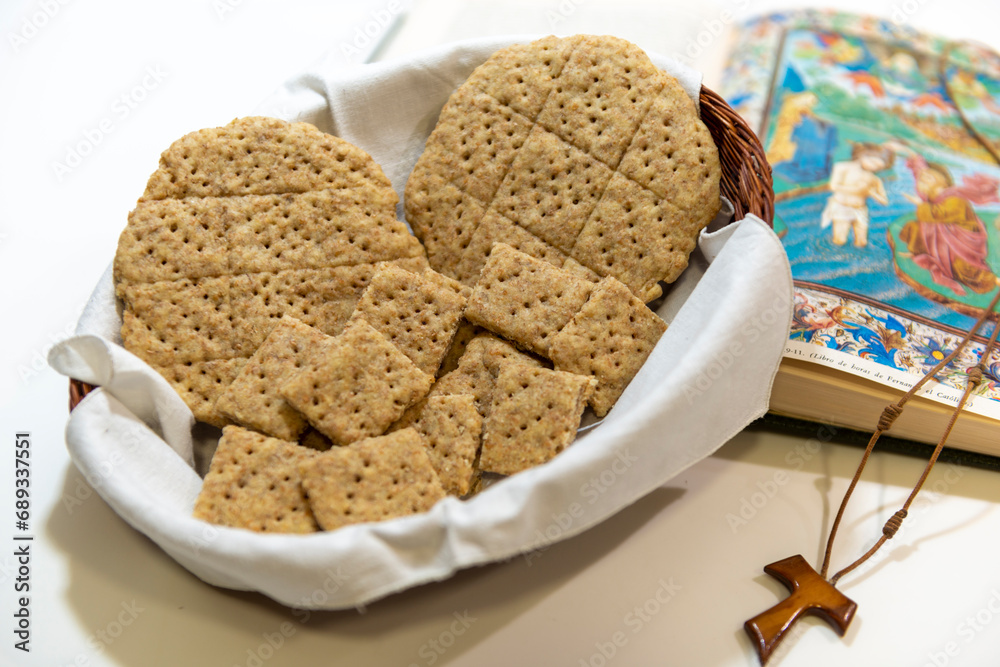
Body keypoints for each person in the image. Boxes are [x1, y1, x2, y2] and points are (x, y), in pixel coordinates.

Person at [899, 155, 1000, 296]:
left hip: (962, 242)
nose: (924, 180)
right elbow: (931, 214)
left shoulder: (955, 199)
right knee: (913, 228)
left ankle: (994, 280)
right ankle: (923, 252)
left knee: (964, 267)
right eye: (922, 179)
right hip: (945, 238)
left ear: (942, 179)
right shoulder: (933, 197)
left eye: (929, 177)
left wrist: (920, 204)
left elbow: (939, 214)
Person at [821, 143, 892, 247]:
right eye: (872, 162)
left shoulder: (874, 179)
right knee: (840, 240)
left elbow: (884, 201)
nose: (873, 167)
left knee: (862, 242)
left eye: (878, 167)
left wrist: (872, 193)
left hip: (861, 210)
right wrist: (856, 189)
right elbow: (833, 186)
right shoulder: (842, 167)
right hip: (842, 207)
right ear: (861, 155)